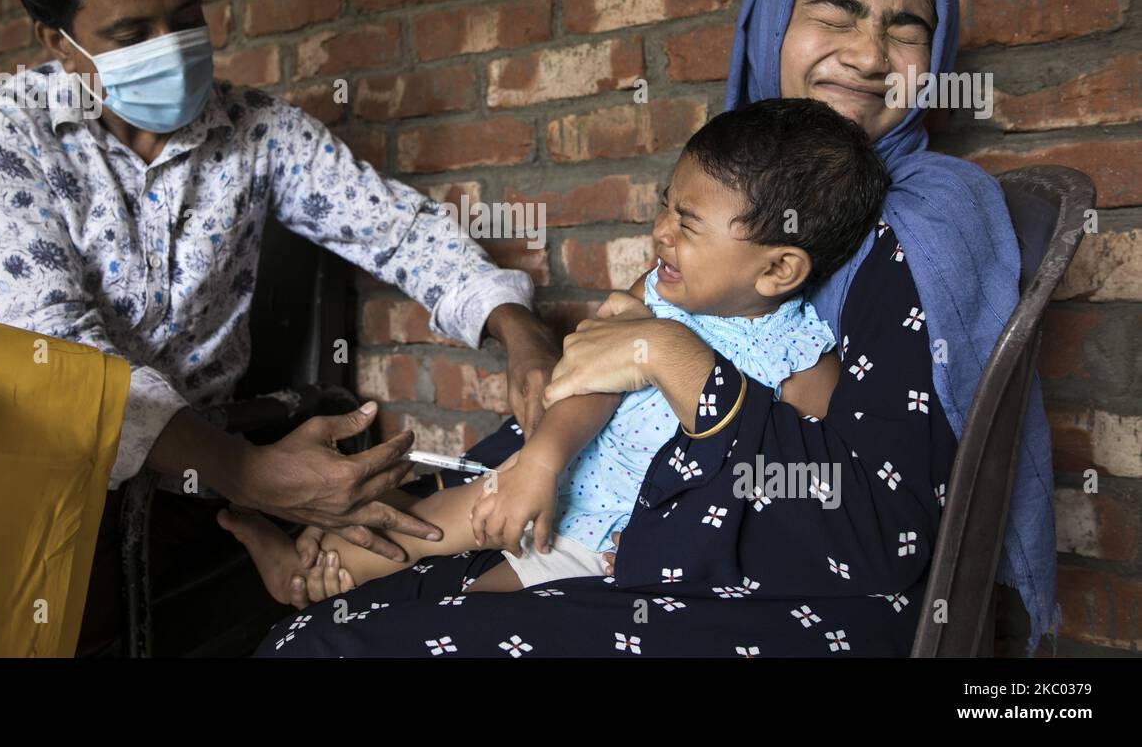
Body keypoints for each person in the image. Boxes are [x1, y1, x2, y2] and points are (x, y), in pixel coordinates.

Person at [252, 0, 1058, 658]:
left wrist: (667, 353)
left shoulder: (925, 224)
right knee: (334, 614)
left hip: (779, 584)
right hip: (636, 525)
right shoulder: (728, 194)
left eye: (905, 25)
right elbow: (603, 377)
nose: (871, 52)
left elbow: (878, 530)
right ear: (774, 24)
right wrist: (458, 494)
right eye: (836, 13)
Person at [0, 0, 562, 601]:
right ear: (59, 42)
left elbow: (397, 229)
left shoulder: (256, 130)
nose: (169, 50)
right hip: (56, 469)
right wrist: (254, 477)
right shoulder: (0, 132)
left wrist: (516, 329)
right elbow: (57, 352)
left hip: (203, 471)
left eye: (186, 17)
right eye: (131, 35)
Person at [228, 99, 888, 602]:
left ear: (777, 270)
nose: (658, 232)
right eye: (665, 206)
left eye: (686, 223)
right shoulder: (656, 294)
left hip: (608, 541)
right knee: (430, 522)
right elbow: (587, 382)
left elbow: (789, 481)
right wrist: (539, 461)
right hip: (564, 473)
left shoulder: (803, 361)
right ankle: (305, 565)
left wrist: (684, 539)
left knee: (478, 603)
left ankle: (339, 572)